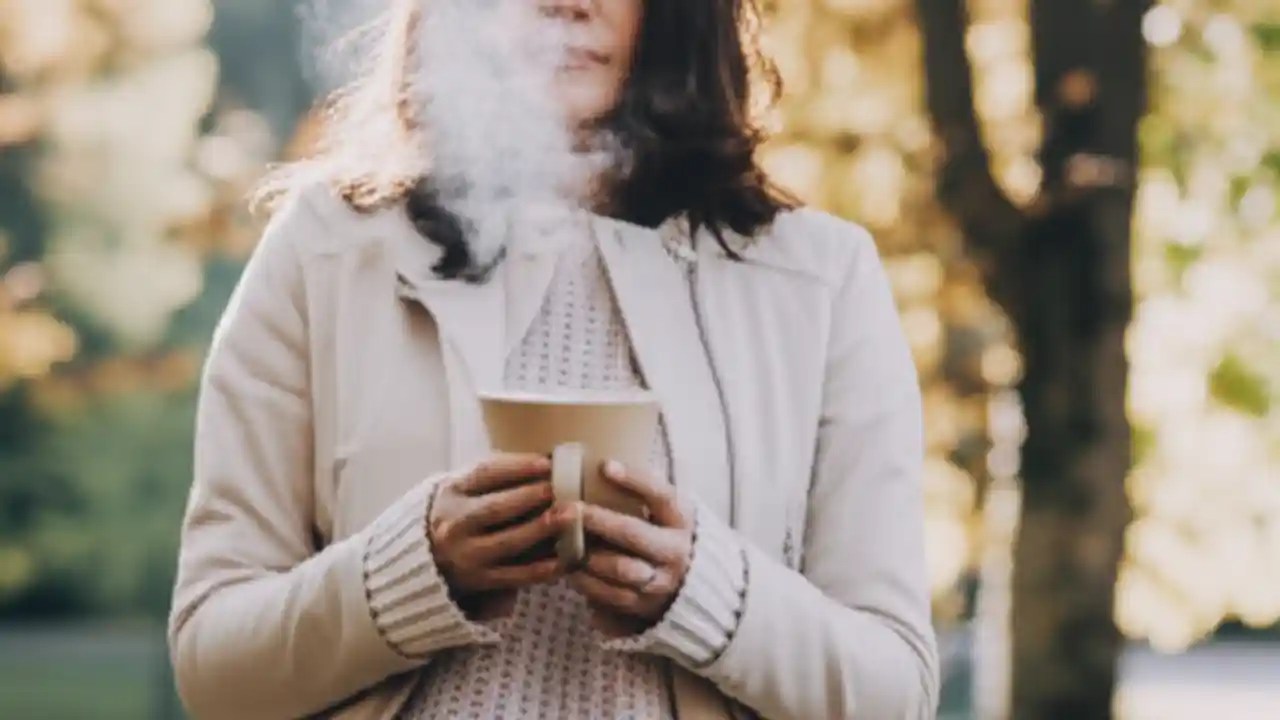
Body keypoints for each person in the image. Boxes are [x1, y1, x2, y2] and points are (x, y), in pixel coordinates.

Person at [168, 0, 939, 718]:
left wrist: (707, 596)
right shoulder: (328, 249)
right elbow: (216, 670)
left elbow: (894, 690)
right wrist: (411, 572)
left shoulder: (819, 278)